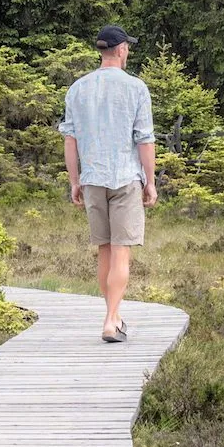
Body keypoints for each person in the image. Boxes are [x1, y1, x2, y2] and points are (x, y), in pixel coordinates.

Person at [59, 24, 157, 343]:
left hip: (92, 179)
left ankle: (112, 315)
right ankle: (111, 320)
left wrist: (75, 181)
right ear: (121, 50)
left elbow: (70, 140)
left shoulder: (77, 89)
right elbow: (144, 140)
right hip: (126, 177)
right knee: (121, 251)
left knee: (104, 249)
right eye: (128, 47)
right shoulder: (136, 88)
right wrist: (150, 181)